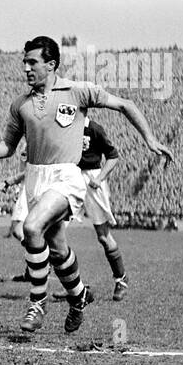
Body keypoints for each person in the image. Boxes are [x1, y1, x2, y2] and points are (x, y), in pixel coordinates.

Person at [0, 36, 172, 335]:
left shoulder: (77, 91)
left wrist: (150, 139)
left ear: (51, 64)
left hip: (67, 176)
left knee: (31, 228)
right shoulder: (21, 105)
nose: (26, 68)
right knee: (56, 248)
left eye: (33, 62)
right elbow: (9, 146)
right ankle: (79, 295)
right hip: (35, 178)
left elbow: (125, 104)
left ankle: (37, 303)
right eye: (25, 62)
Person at [78, 117, 129, 301]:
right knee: (57, 230)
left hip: (92, 179)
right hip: (71, 178)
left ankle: (121, 279)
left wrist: (99, 178)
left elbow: (113, 156)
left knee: (103, 236)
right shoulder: (66, 126)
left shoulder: (94, 129)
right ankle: (73, 285)